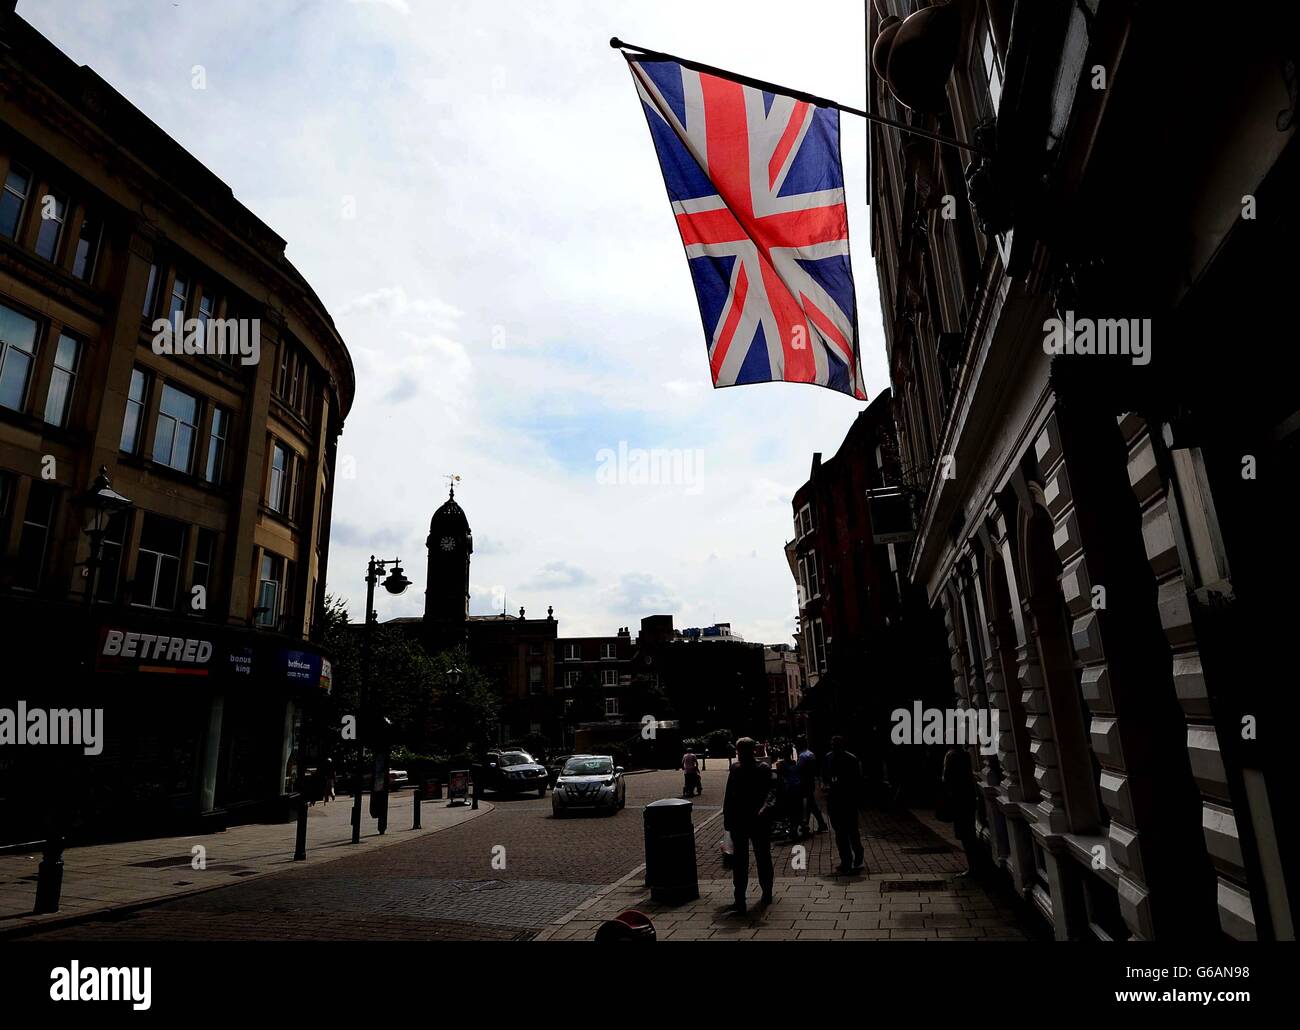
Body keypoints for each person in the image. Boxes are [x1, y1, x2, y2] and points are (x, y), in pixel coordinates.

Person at [722, 736, 776, 913]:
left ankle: (766, 891)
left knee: (762, 857)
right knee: (741, 860)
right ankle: (740, 898)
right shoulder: (735, 769)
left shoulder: (763, 768)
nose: (740, 755)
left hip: (757, 819)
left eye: (742, 751)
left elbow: (771, 792)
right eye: (739, 751)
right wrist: (727, 819)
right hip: (740, 819)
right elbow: (729, 795)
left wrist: (765, 807)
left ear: (752, 751)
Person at [822, 735, 864, 874]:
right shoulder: (828, 758)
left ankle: (858, 856)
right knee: (840, 834)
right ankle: (846, 860)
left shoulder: (851, 759)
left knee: (852, 832)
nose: (833, 747)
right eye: (832, 745)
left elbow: (857, 781)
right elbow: (825, 777)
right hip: (834, 801)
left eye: (836, 745)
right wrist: (826, 786)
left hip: (848, 801)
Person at [942, 745, 979, 877]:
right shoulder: (966, 754)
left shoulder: (951, 755)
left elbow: (947, 779)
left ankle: (973, 867)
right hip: (968, 799)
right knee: (969, 833)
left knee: (964, 834)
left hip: (958, 800)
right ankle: (974, 866)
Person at [795, 737, 827, 837]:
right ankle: (819, 824)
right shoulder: (810, 754)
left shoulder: (802, 756)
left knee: (807, 804)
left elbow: (797, 769)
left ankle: (806, 825)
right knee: (811, 804)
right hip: (810, 782)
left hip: (804, 782)